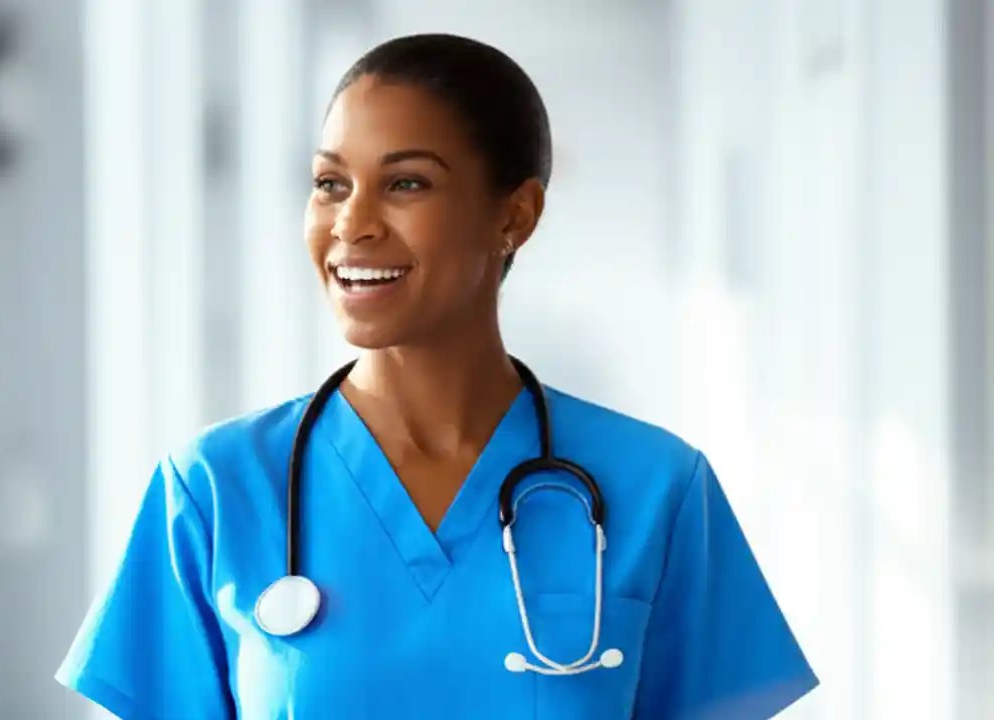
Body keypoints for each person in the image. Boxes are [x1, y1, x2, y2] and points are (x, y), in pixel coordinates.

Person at [55, 33, 818, 719]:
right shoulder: (216, 490)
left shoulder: (657, 488)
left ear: (514, 215)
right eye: (329, 184)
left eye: (406, 183)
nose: (352, 223)